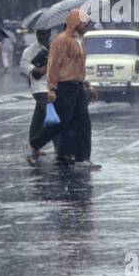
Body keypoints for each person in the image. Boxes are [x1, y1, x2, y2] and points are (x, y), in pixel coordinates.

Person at [31, 9, 100, 169]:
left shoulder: (81, 41)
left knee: (83, 123)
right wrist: (52, 88)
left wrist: (87, 85)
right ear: (75, 23)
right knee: (61, 122)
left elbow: (80, 67)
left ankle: (82, 158)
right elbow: (53, 65)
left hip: (78, 87)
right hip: (64, 87)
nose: (87, 26)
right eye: (84, 23)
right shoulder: (61, 41)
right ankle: (34, 145)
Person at [20, 27, 51, 165]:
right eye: (39, 33)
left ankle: (34, 144)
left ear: (49, 34)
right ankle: (36, 146)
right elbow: (24, 65)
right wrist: (36, 69)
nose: (41, 36)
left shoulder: (54, 47)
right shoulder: (30, 50)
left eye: (44, 33)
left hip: (51, 87)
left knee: (39, 118)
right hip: (39, 88)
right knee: (52, 118)